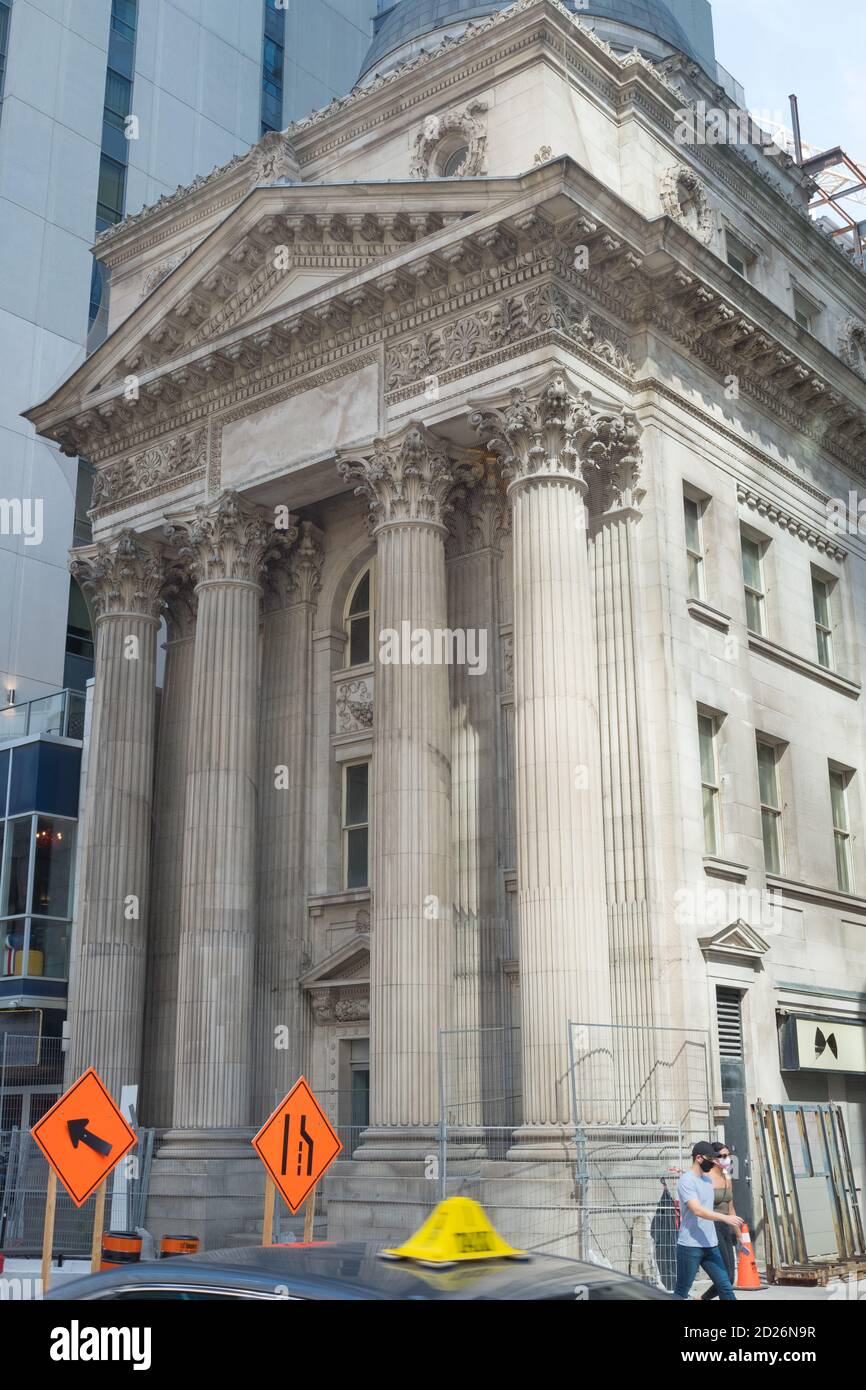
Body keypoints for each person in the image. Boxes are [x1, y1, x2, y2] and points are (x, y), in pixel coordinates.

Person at [674, 1141, 744, 1301]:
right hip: (690, 1246)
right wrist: (725, 1217)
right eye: (710, 1159)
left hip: (710, 1244)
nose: (713, 1162)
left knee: (725, 1285)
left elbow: (722, 1198)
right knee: (681, 1291)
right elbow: (697, 1210)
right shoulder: (686, 1181)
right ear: (698, 1158)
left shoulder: (708, 1180)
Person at [700, 1141, 741, 1300]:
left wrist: (739, 1236)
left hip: (726, 1228)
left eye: (729, 1156)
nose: (727, 1159)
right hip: (713, 1227)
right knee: (727, 1276)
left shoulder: (727, 1178)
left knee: (729, 1278)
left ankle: (700, 1299)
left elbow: (731, 1208)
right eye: (722, 1156)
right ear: (713, 1158)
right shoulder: (705, 1179)